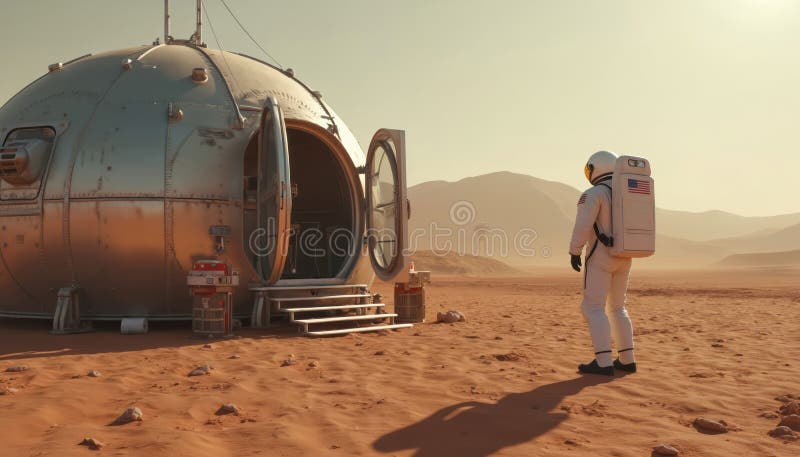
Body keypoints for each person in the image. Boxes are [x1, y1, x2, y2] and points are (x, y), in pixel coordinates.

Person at [569, 150, 637, 376]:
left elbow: (583, 224)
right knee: (618, 308)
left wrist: (574, 251)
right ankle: (627, 359)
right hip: (624, 258)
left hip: (600, 257)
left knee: (592, 307)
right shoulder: (626, 194)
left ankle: (604, 361)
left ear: (595, 168)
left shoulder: (594, 193)